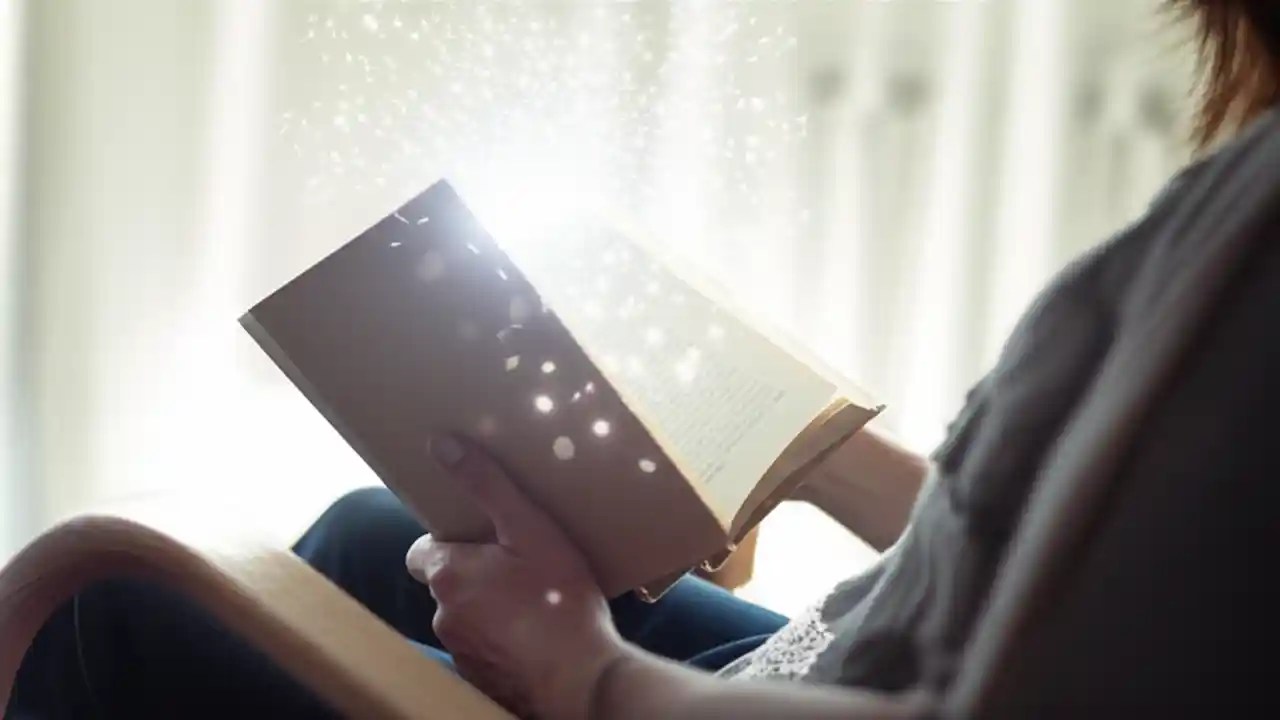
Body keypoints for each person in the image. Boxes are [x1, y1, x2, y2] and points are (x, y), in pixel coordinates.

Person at [8, 0, 1279, 717]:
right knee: (362, 530)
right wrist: (809, 450)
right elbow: (1042, 553)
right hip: (829, 654)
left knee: (109, 608)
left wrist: (589, 675)